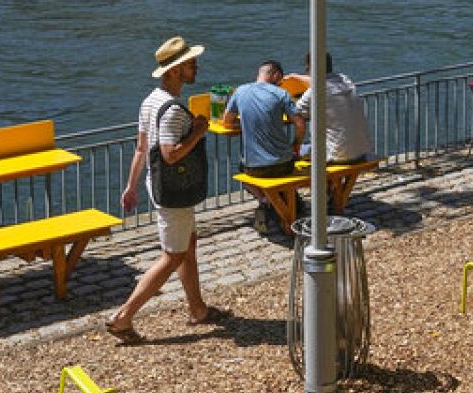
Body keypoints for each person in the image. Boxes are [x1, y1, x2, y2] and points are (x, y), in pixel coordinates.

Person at [109, 35, 227, 344]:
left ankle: (198, 309)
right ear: (175, 71)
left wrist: (131, 185)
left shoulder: (150, 101)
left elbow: (141, 148)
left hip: (158, 185)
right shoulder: (173, 110)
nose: (196, 68)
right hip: (175, 193)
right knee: (173, 256)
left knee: (187, 245)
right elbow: (170, 154)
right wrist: (199, 131)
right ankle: (123, 318)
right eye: (191, 64)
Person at [223, 60, 300, 230]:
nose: (280, 84)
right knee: (290, 164)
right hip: (284, 165)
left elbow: (226, 121)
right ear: (275, 75)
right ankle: (283, 204)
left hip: (254, 169)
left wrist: (244, 124)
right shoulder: (281, 94)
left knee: (243, 171)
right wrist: (296, 143)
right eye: (280, 81)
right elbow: (300, 123)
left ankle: (265, 201)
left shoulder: (240, 91)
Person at [292, 53, 373, 164]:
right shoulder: (346, 81)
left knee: (290, 152)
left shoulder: (317, 89)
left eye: (307, 67)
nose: (305, 70)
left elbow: (295, 112)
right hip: (361, 152)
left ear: (311, 67)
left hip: (336, 156)